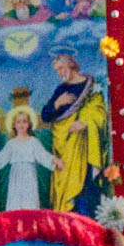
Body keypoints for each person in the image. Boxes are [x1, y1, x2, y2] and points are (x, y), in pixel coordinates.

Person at [39, 51, 109, 215]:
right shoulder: (61, 89)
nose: (60, 73)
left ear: (71, 65)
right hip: (64, 144)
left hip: (85, 143)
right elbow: (45, 116)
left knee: (85, 185)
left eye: (62, 68)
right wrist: (57, 103)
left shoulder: (91, 85)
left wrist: (85, 122)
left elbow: (98, 110)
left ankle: (85, 218)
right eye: (57, 70)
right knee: (66, 184)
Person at [0, 108, 60, 212]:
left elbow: (43, 155)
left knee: (30, 202)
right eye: (18, 122)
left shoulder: (33, 141)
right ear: (14, 124)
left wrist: (56, 161)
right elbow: (1, 157)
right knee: (15, 202)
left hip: (29, 174)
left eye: (24, 121)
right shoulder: (11, 143)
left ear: (29, 124)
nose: (21, 125)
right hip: (16, 175)